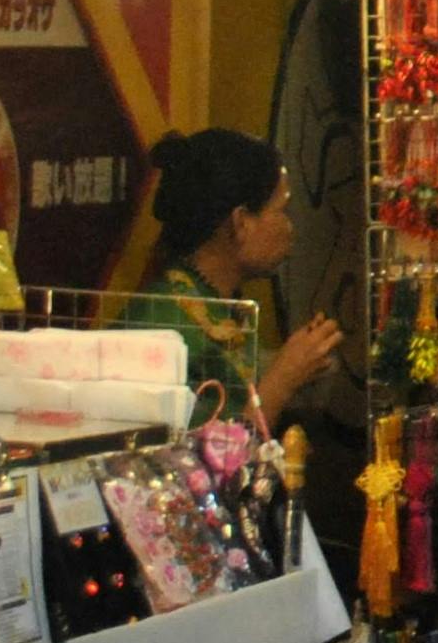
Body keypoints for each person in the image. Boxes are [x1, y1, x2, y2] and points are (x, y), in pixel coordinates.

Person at [129, 127, 342, 429]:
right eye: (281, 210)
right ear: (241, 222)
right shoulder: (164, 327)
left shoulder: (210, 299)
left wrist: (302, 363)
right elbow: (206, 461)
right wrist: (283, 377)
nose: (290, 228)